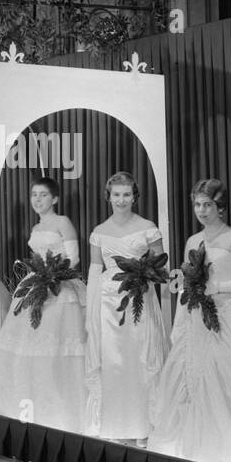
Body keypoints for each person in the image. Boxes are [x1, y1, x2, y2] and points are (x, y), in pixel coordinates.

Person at [148, 179, 231, 462]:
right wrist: (180, 322)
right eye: (198, 204)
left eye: (208, 204)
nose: (202, 210)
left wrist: (220, 287)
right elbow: (189, 284)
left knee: (230, 382)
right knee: (190, 380)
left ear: (220, 207)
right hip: (197, 316)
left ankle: (229, 450)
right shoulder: (192, 241)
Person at [0, 177, 89, 433]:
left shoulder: (63, 222)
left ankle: (59, 407)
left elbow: (73, 258)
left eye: (43, 195)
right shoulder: (37, 228)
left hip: (59, 287)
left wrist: (52, 277)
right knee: (31, 341)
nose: (37, 200)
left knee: (55, 343)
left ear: (55, 199)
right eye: (34, 195)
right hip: (36, 282)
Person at [84, 171, 170, 443]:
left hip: (139, 297)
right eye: (117, 195)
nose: (122, 200)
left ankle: (144, 426)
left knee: (140, 358)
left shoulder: (147, 227)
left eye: (127, 194)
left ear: (135, 196)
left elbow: (160, 266)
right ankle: (115, 426)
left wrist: (144, 277)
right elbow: (95, 270)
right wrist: (92, 309)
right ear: (108, 197)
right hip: (108, 304)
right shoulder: (99, 232)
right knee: (114, 362)